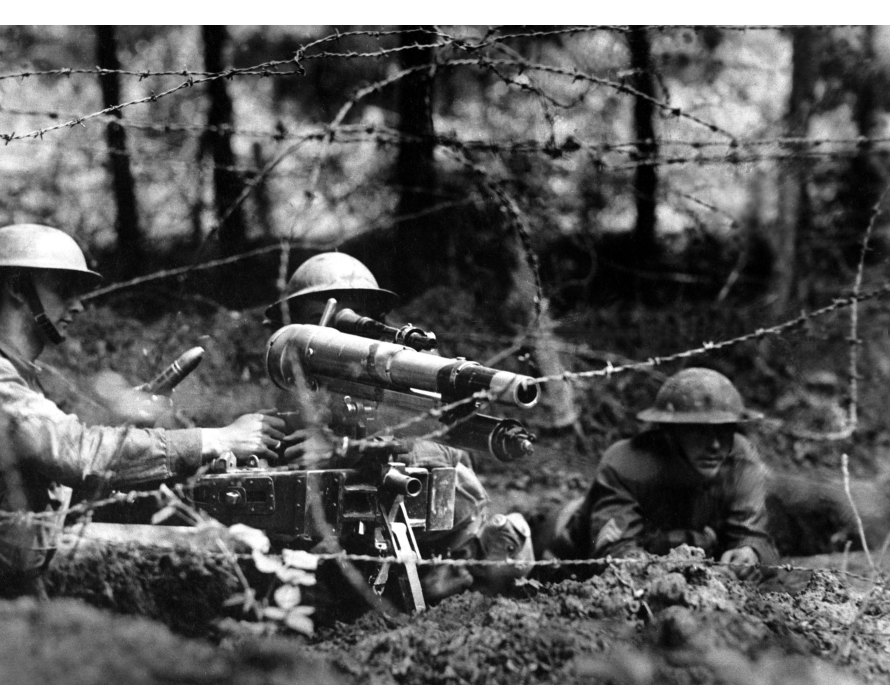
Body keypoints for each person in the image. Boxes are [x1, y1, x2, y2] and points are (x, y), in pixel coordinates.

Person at [0, 224, 285, 598]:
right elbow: (75, 454)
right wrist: (215, 440)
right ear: (18, 288)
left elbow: (57, 464)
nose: (79, 305)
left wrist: (125, 424)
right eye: (64, 290)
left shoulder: (12, 375)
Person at [264, 251, 533, 601]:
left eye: (349, 318)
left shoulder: (407, 373)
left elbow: (444, 451)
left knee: (510, 563)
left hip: (439, 541)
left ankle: (462, 568)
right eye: (317, 320)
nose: (330, 332)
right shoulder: (296, 390)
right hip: (354, 549)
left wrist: (346, 450)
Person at [535, 367, 777, 580]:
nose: (714, 445)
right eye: (698, 431)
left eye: (724, 431)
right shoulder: (627, 462)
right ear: (670, 433)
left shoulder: (741, 461)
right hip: (574, 558)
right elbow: (613, 554)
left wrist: (749, 553)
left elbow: (755, 536)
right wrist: (688, 575)